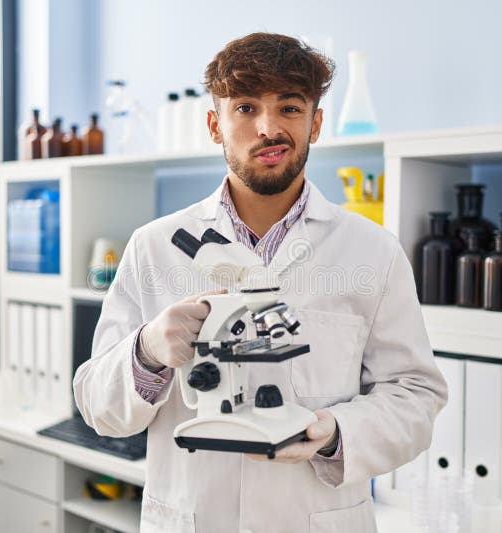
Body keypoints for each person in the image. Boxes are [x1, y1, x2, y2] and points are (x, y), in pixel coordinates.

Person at [74, 32, 447, 533]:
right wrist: (146, 352)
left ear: (315, 122)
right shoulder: (154, 246)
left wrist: (335, 433)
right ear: (214, 125)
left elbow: (414, 394)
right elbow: (100, 408)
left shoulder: (373, 252)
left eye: (290, 108)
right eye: (245, 107)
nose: (268, 128)